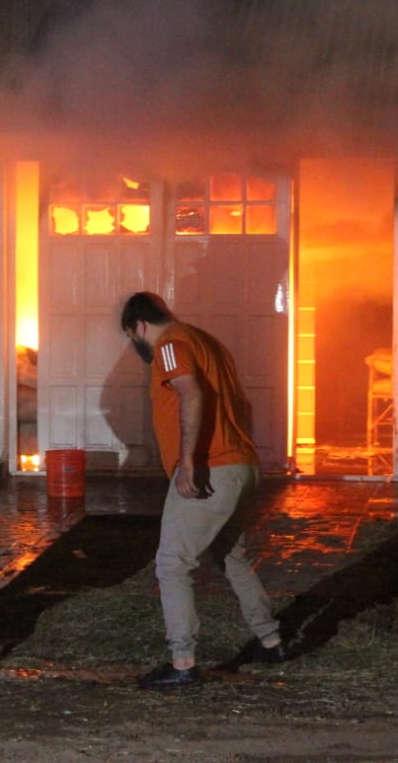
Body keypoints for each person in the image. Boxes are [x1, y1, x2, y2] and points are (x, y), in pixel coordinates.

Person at [120, 291, 283, 690]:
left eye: (133, 336)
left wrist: (189, 462)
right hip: (241, 466)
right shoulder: (207, 342)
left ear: (139, 326)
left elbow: (191, 393)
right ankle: (271, 640)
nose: (137, 345)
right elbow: (237, 401)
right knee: (232, 555)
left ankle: (182, 662)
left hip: (213, 469)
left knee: (172, 564)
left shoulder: (170, 346)